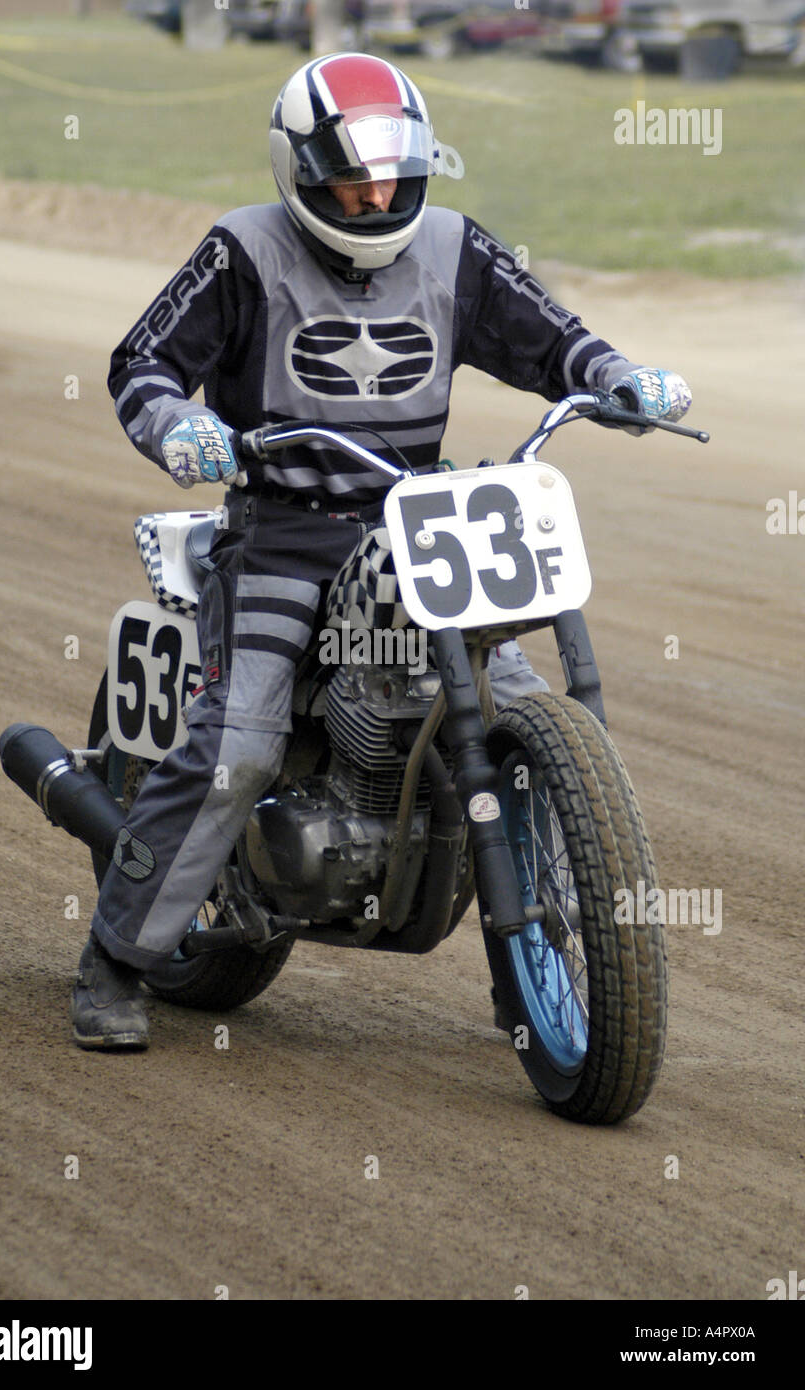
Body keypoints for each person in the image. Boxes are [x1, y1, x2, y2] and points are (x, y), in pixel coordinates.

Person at [71, 52, 692, 1050]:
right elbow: (142, 363)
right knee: (241, 745)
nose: (376, 192)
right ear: (301, 169)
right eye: (353, 176)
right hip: (282, 534)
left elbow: (550, 338)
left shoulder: (452, 249)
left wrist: (618, 377)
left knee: (517, 710)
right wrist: (175, 426)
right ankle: (113, 958)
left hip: (417, 525)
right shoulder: (242, 251)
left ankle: (526, 978)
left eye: (394, 171)